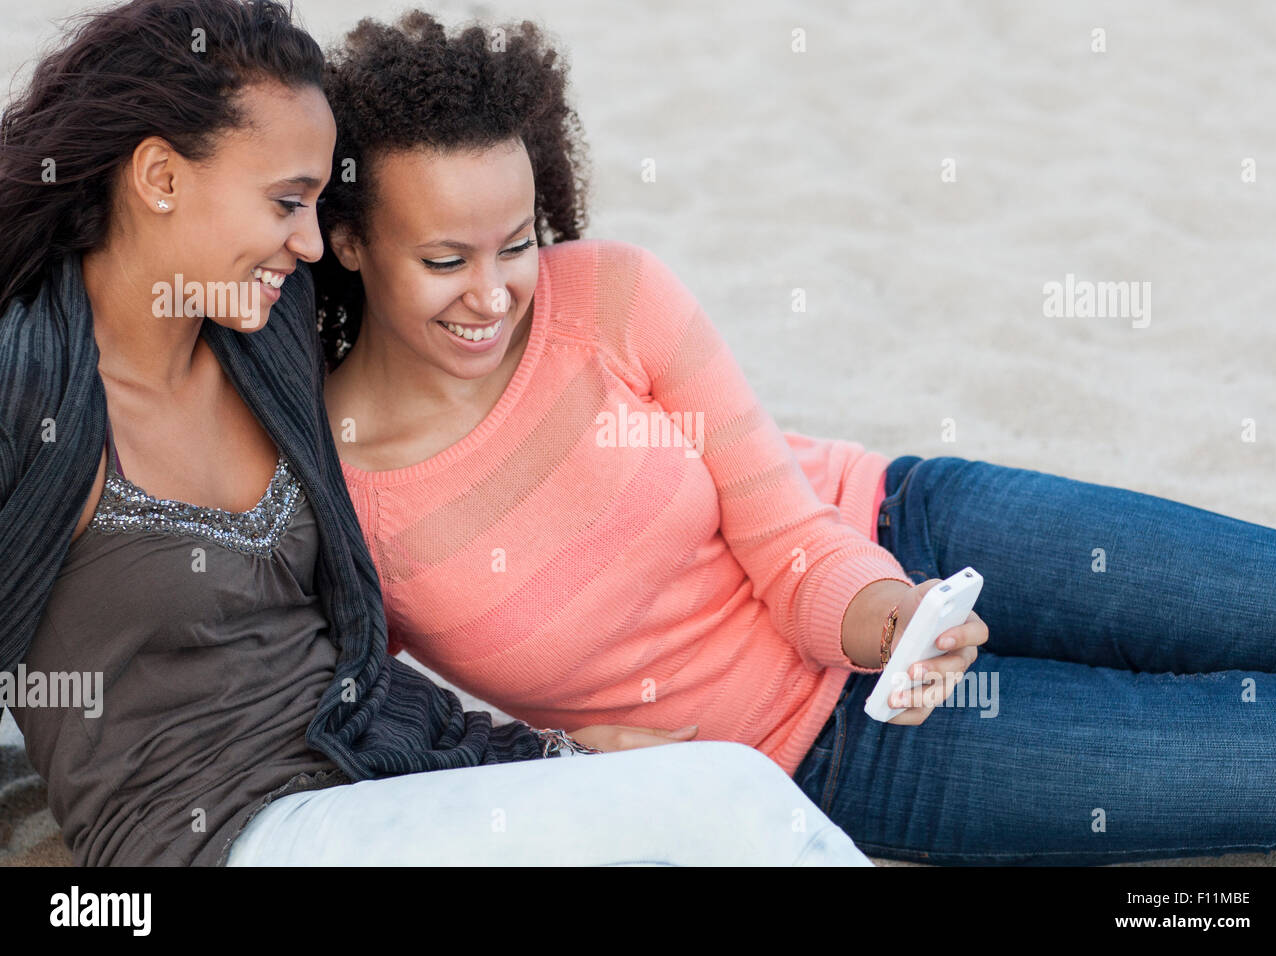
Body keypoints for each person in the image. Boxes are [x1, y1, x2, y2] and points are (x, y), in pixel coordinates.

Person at [317, 10, 1276, 866]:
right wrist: (561, 762)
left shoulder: (610, 293)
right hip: (832, 752)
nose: (493, 295)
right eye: (445, 259)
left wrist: (894, 621)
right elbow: (373, 728)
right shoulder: (343, 499)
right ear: (350, 240)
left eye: (518, 243)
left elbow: (785, 533)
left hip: (906, 526)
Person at [0, 0, 871, 867]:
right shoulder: (26, 388)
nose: (308, 244)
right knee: (725, 799)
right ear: (160, 178)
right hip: (228, 840)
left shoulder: (263, 348)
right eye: (285, 202)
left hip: (365, 791)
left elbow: (338, 670)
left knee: (709, 794)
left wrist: (549, 760)